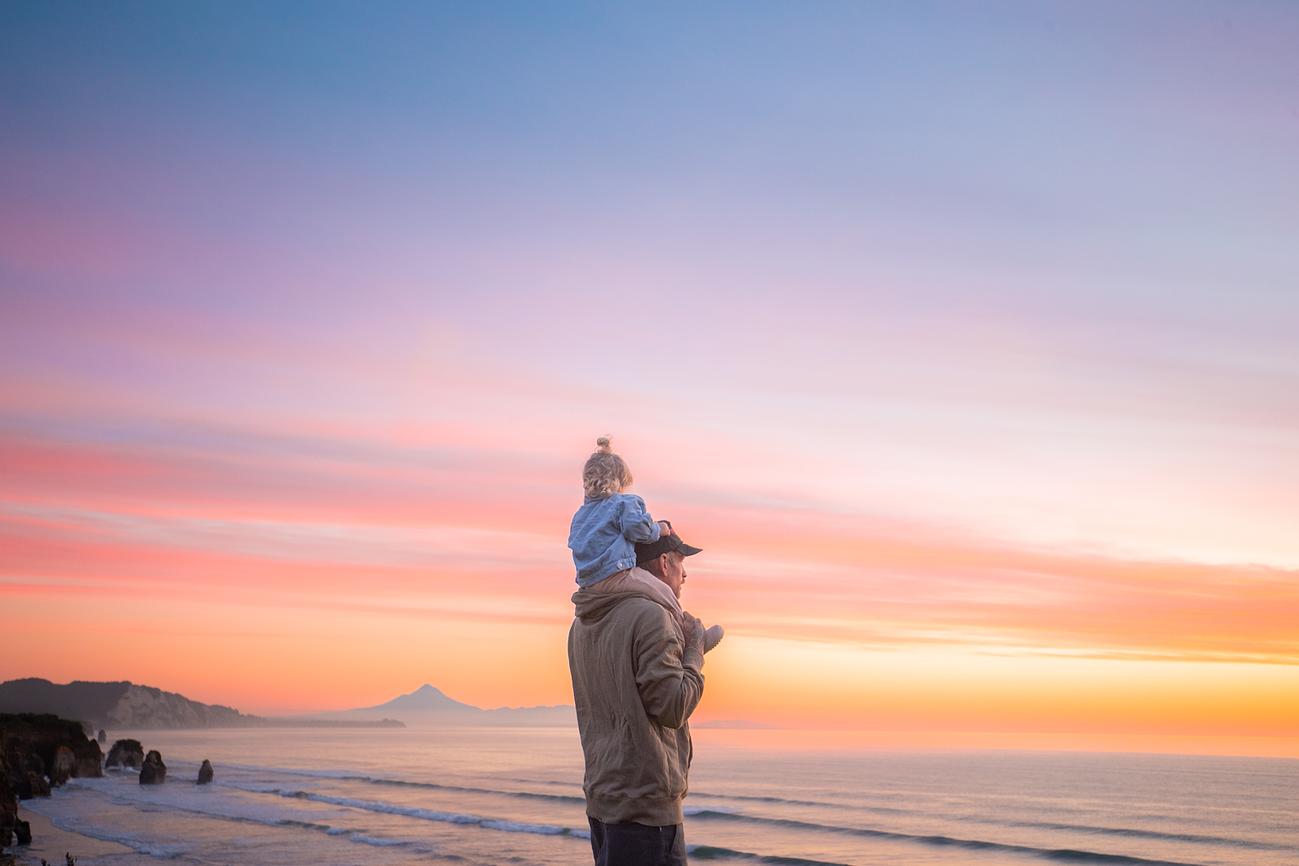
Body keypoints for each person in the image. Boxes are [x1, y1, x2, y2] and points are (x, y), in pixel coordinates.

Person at [568, 528, 709, 866]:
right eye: (680, 564)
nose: (685, 573)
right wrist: (694, 652)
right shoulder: (652, 616)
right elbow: (672, 706)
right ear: (663, 563)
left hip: (604, 798)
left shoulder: (585, 621)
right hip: (646, 810)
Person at [568, 436, 723, 649]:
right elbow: (638, 529)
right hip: (617, 575)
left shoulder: (580, 515)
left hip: (588, 583)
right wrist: (659, 529)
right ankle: (691, 639)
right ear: (620, 480)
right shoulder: (624, 503)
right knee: (665, 593)